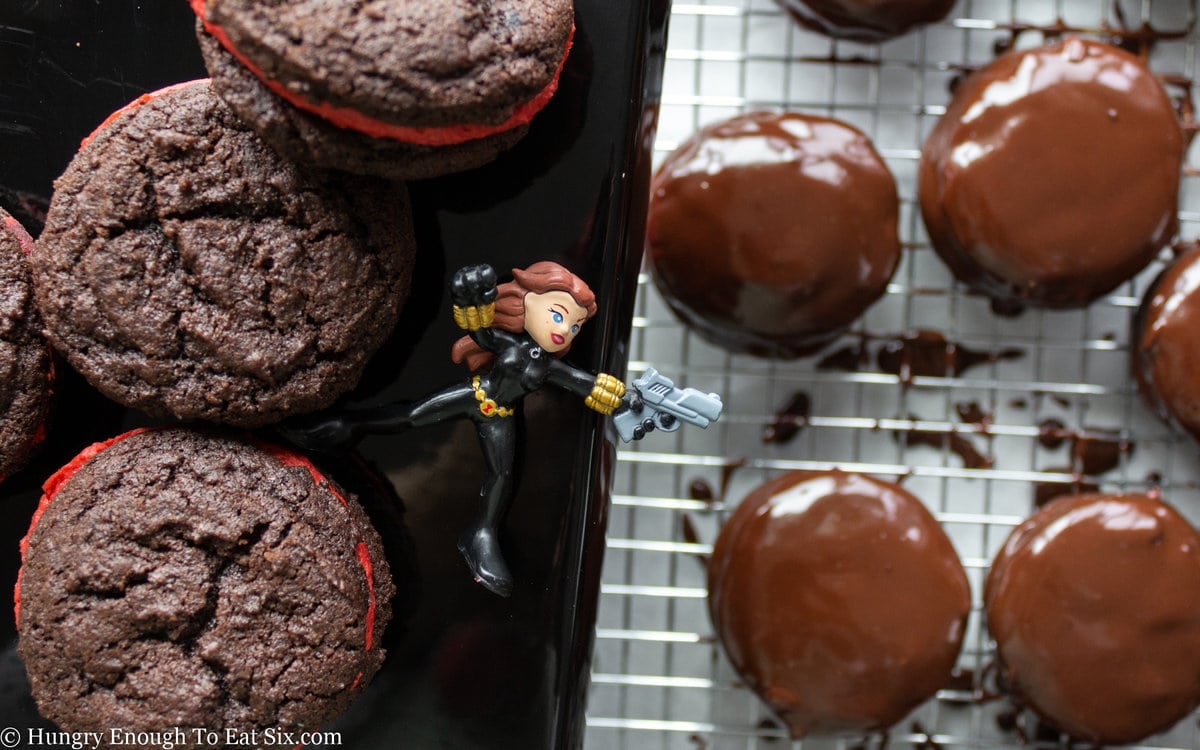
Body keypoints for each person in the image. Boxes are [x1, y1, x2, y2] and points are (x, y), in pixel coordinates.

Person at [280, 262, 628, 597]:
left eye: (575, 326)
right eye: (558, 315)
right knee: (412, 414)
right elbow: (480, 332)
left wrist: (624, 400)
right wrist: (470, 297)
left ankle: (482, 534)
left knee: (502, 476)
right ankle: (342, 427)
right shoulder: (508, 344)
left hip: (499, 416)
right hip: (474, 396)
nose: (565, 330)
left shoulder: (551, 367)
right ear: (528, 301)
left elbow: (586, 384)